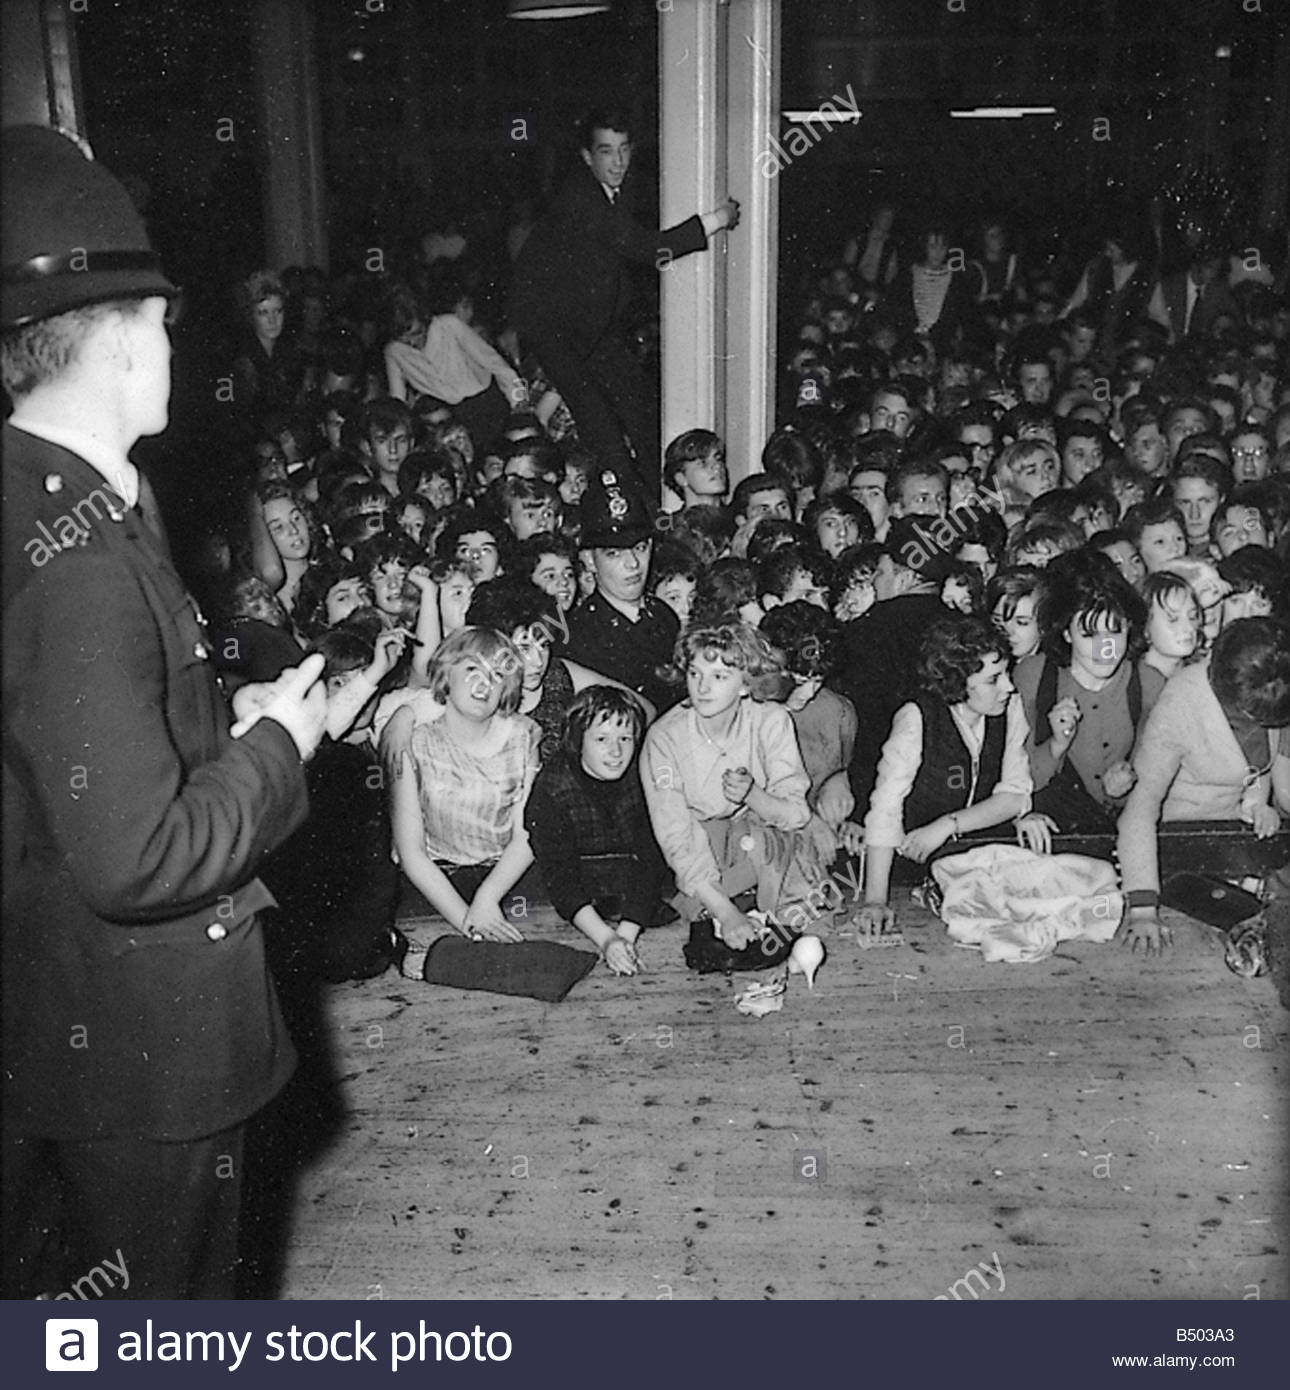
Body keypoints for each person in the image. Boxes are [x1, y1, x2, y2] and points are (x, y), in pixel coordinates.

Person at [2, 126, 327, 1299]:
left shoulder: (49, 490)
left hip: (64, 1024)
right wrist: (282, 748)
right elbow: (136, 856)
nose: (174, 343)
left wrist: (216, 726)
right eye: (162, 319)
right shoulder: (82, 558)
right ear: (122, 341)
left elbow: (72, 757)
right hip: (142, 1054)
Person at [511, 110, 740, 495]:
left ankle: (658, 500)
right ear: (587, 157)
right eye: (606, 152)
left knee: (642, 412)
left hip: (593, 330)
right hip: (557, 333)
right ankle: (636, 517)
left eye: (623, 151)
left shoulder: (615, 189)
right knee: (604, 432)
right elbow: (650, 249)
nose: (617, 162)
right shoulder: (581, 197)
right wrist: (718, 217)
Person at [1116, 618, 1290, 1000]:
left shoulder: (1274, 679)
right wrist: (1142, 905)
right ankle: (1255, 924)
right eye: (1250, 718)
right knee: (1184, 880)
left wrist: (1260, 802)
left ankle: (1262, 916)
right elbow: (1141, 808)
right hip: (1177, 834)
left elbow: (1273, 761)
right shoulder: (1181, 703)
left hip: (1234, 827)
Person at [857, 615, 1044, 936]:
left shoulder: (1010, 710)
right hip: (915, 861)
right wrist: (875, 899)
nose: (1008, 687)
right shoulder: (917, 717)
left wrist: (947, 825)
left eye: (1006, 674)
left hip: (981, 853)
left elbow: (1015, 796)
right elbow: (885, 811)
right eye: (993, 679)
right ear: (958, 682)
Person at [382, 628, 542, 979]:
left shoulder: (524, 735)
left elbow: (527, 835)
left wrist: (486, 900)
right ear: (446, 675)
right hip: (435, 882)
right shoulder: (416, 742)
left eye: (497, 675)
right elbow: (411, 853)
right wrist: (471, 925)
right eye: (472, 669)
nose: (484, 684)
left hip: (506, 878)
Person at [524, 687, 667, 976]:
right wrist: (605, 938)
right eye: (601, 739)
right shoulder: (552, 788)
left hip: (632, 893)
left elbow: (651, 860)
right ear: (577, 741)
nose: (616, 752)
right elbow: (559, 876)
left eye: (625, 739)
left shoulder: (642, 776)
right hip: (571, 900)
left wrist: (624, 937)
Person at [564, 471, 682, 711]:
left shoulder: (662, 614)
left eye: (639, 548)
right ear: (589, 559)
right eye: (614, 553)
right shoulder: (579, 634)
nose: (633, 563)